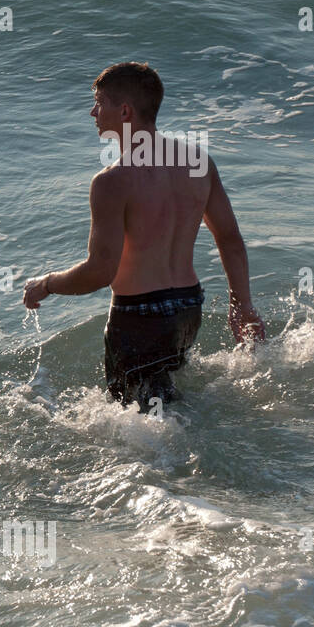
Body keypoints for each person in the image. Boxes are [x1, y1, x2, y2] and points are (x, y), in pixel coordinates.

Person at [23, 61, 265, 408]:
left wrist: (47, 283)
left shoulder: (111, 182)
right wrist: (242, 306)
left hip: (138, 317)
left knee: (141, 430)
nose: (93, 112)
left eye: (100, 102)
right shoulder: (198, 162)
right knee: (167, 408)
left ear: (124, 111)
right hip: (188, 307)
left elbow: (100, 272)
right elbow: (229, 238)